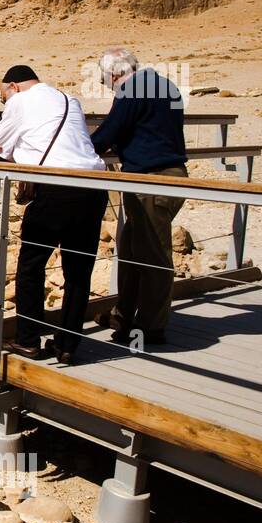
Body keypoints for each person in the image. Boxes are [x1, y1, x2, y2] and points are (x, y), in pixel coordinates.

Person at [0, 65, 108, 365]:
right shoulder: (69, 99)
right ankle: (67, 346)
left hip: (56, 189)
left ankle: (28, 341)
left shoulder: (19, 101)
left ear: (12, 86)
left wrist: (1, 144)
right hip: (94, 188)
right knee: (79, 271)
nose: (3, 102)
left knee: (31, 265)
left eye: (2, 96)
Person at [89, 48, 188, 347]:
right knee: (132, 248)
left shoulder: (133, 91)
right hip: (163, 176)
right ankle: (124, 315)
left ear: (114, 74)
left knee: (155, 254)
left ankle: (150, 327)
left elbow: (109, 132)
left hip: (151, 181)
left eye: (107, 83)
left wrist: (79, 150)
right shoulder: (162, 84)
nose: (110, 89)